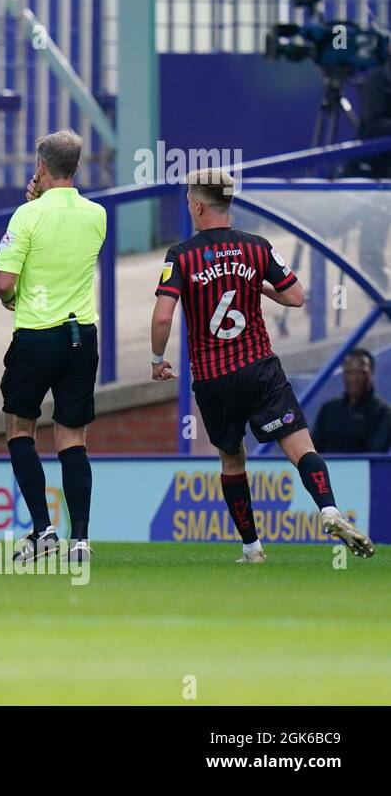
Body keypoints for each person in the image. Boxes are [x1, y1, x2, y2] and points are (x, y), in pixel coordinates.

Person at [150, 168, 375, 562]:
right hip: (259, 366)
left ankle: (252, 548)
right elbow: (297, 298)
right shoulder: (258, 247)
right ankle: (329, 510)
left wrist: (156, 360)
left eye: (189, 201)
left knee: (233, 459)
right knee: (299, 446)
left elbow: (163, 318)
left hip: (212, 376)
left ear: (199, 206)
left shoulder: (181, 255)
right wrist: (263, 287)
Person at [0, 130, 105, 566]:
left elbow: (5, 283)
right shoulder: (97, 214)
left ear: (40, 166)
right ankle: (80, 539)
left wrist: (12, 301)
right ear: (75, 167)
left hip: (36, 334)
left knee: (20, 429)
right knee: (72, 437)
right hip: (81, 336)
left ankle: (43, 531)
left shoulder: (26, 216)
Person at [312, 349, 391, 453]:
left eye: (361, 373)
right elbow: (314, 449)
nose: (354, 378)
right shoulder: (328, 409)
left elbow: (375, 451)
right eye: (349, 372)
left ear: (372, 374)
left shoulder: (383, 412)